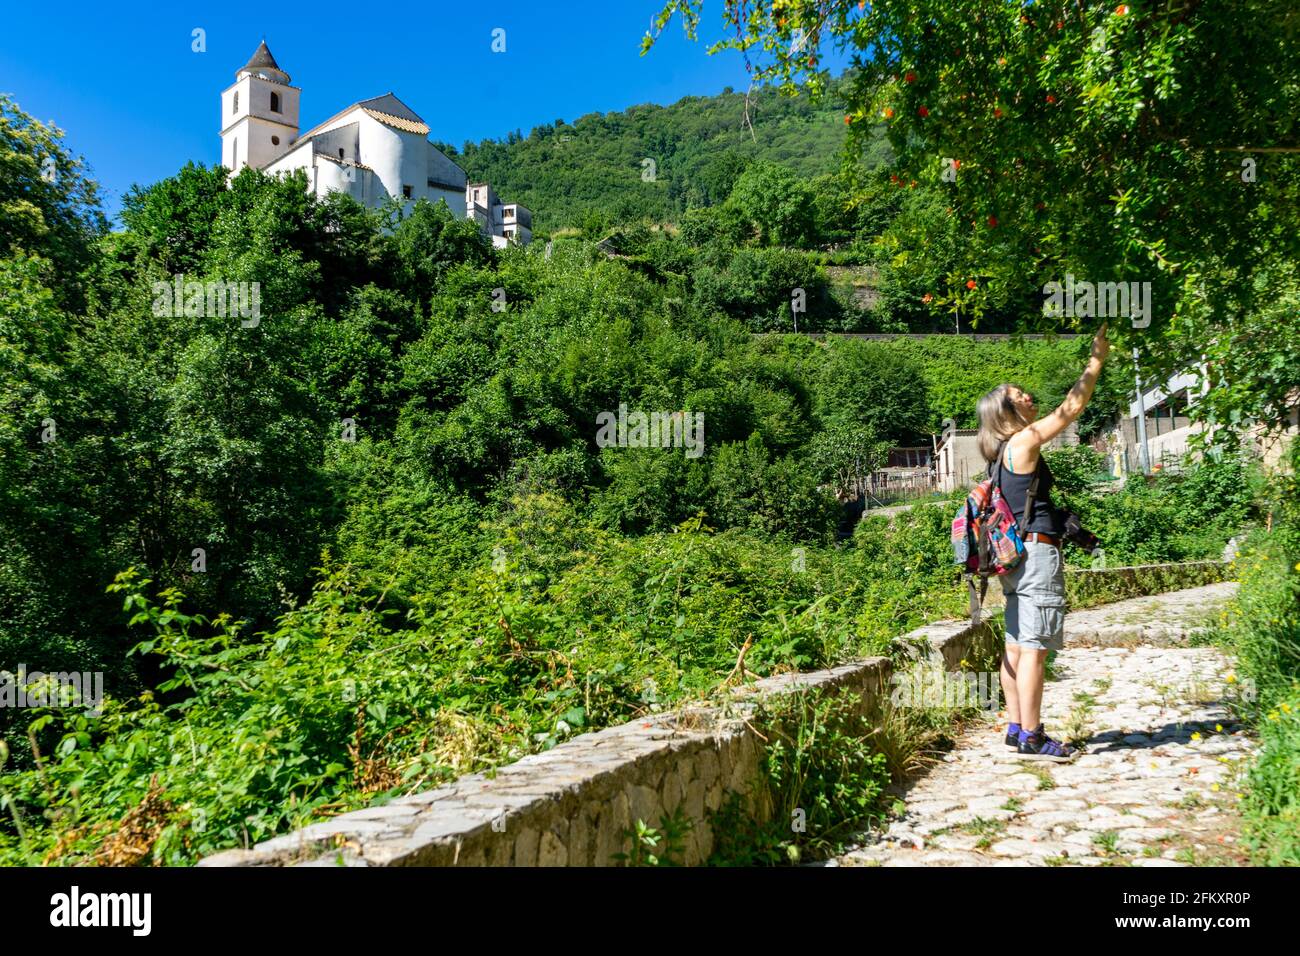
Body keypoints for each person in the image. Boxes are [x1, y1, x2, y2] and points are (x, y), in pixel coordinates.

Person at [975, 322, 1110, 761]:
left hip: (1012, 561)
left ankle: (1016, 727)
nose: (1029, 397)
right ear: (1006, 411)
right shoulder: (1025, 441)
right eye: (1020, 396)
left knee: (1015, 644)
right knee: (1033, 648)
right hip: (1034, 555)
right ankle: (1033, 736)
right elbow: (1071, 409)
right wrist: (1096, 360)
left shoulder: (999, 458)